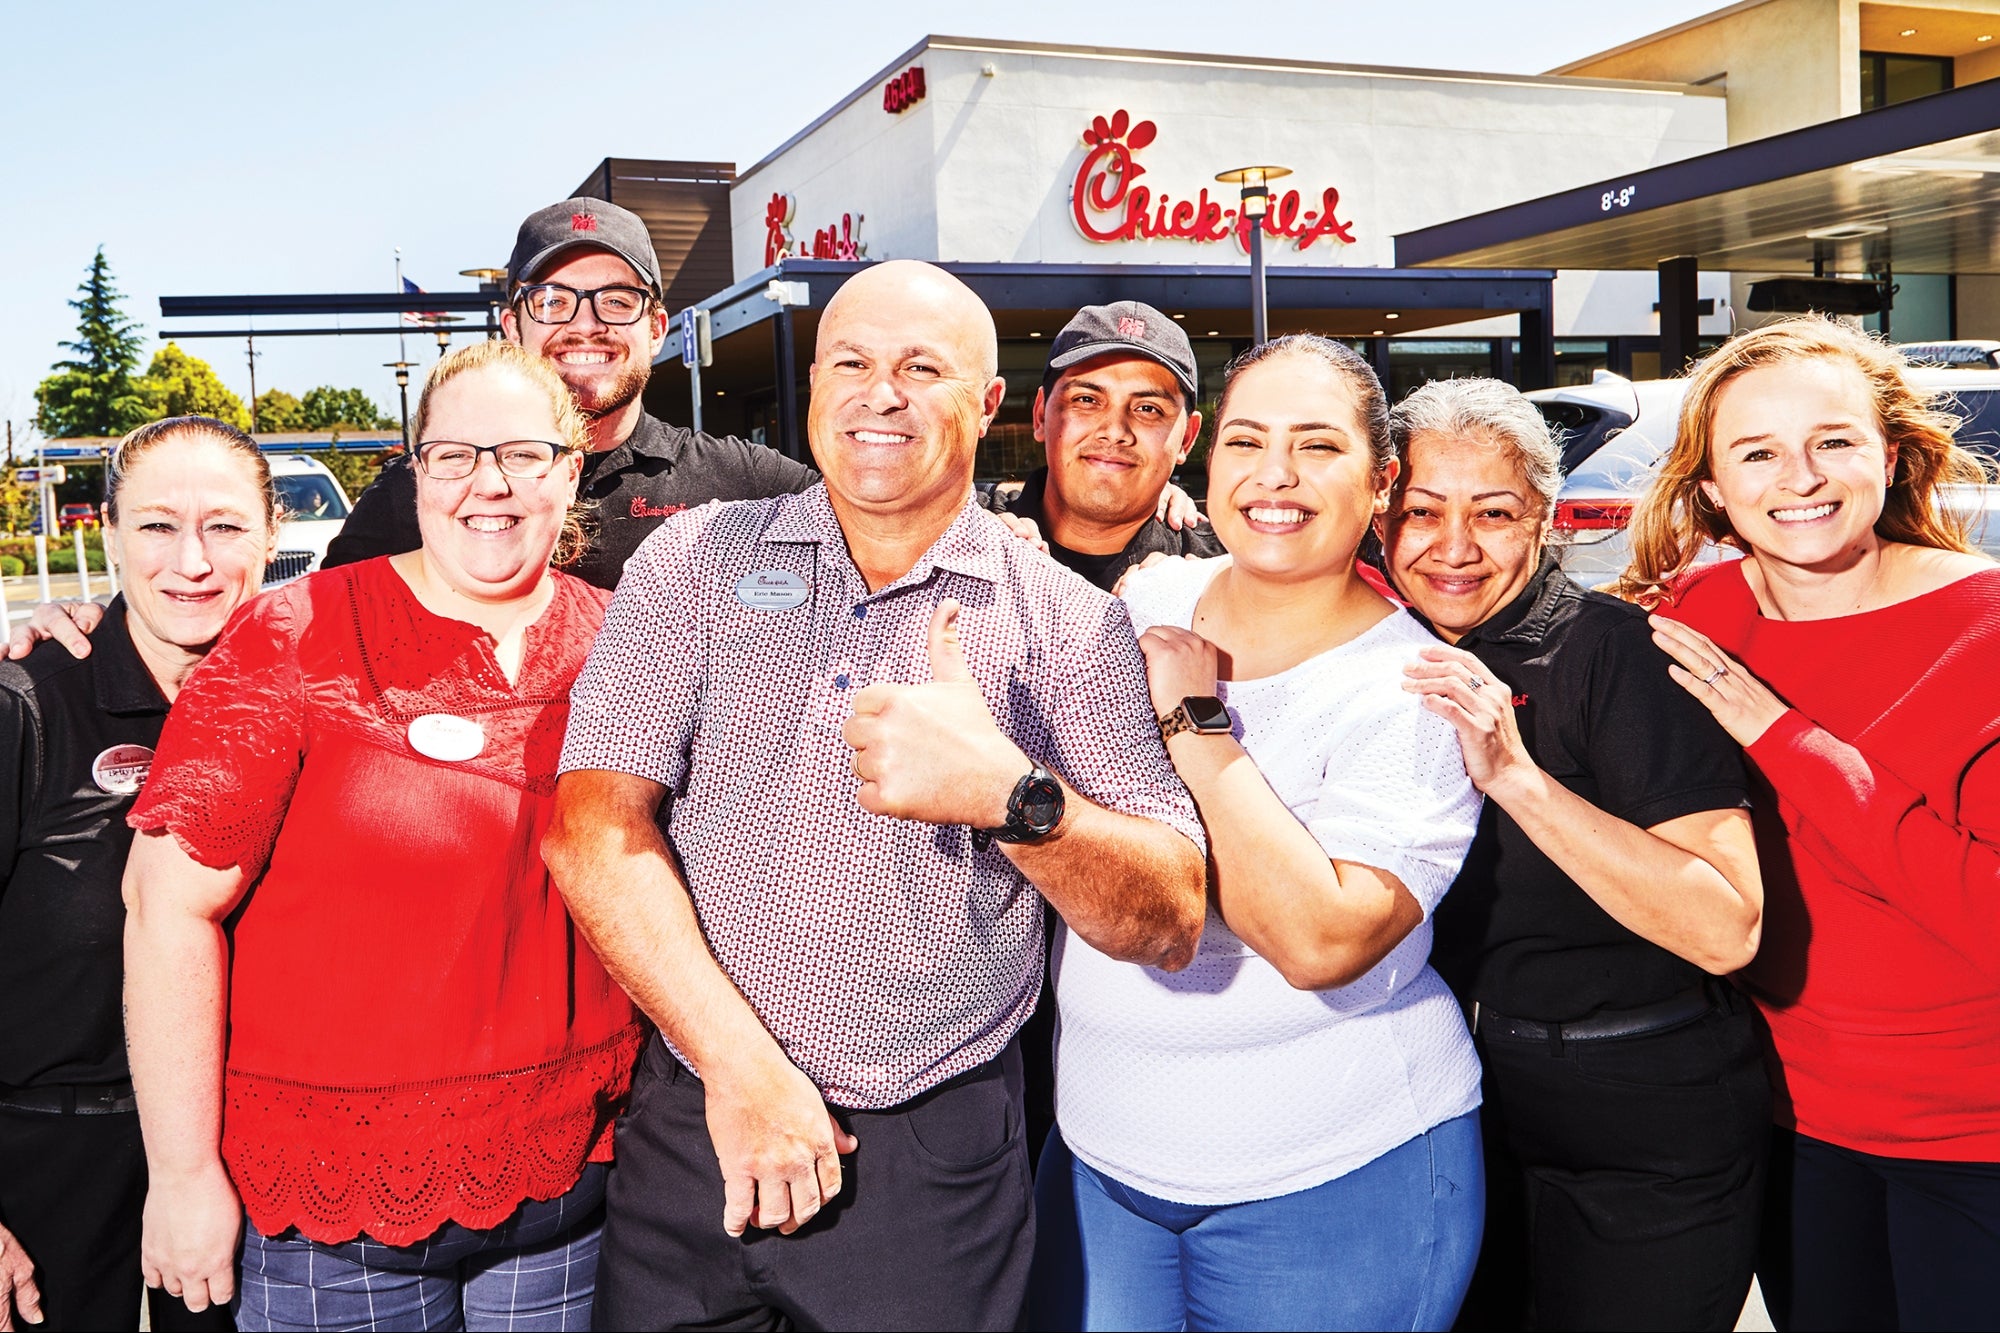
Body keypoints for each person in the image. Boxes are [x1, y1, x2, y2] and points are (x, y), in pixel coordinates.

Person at [542, 259, 1208, 1331]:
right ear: (812, 383)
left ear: (989, 404)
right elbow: (590, 830)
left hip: (927, 1155)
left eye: (920, 366)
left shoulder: (1065, 623)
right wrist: (741, 1072)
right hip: (698, 1110)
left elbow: (1169, 917)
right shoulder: (696, 561)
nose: (878, 392)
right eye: (849, 361)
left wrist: (1012, 798)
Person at [123, 342, 643, 1331]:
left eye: (523, 455)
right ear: (415, 471)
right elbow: (165, 906)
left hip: (572, 1187)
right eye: (452, 455)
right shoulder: (295, 634)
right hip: (333, 1209)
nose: (487, 484)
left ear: (570, 470)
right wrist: (182, 1174)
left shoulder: (631, 639)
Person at [1031, 334, 1485, 1332]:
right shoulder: (1142, 599)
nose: (1273, 476)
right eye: (1245, 441)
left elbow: (1321, 939)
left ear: (1380, 480)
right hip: (1103, 1159)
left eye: (1317, 446)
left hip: (1334, 1176)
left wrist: (1196, 722)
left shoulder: (1412, 685)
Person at [1617, 315, 2000, 1333]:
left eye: (1831, 440)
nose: (1800, 477)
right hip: (1786, 1125)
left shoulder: (1984, 625)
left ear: (1889, 453)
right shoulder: (1689, 620)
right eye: (1757, 451)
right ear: (1710, 489)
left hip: (1975, 1136)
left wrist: (1789, 742)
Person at [1380, 377, 1768, 1331]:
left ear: (1546, 520)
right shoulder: (1372, 647)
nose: (1455, 546)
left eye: (1494, 512)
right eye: (1422, 511)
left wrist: (1517, 776)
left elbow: (1726, 925)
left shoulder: (1618, 653)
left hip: (1642, 1114)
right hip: (1458, 1105)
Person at [0, 417, 266, 1333]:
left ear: (272, 536)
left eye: (226, 525)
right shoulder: (26, 701)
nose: (191, 559)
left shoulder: (297, 701)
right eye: (156, 525)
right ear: (107, 536)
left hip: (237, 1153)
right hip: (44, 1165)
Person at [996, 301, 1222, 591]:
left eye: (1148, 409)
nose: (1115, 432)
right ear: (1040, 415)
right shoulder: (963, 531)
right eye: (1086, 400)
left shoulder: (1220, 574)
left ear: (1187, 438)